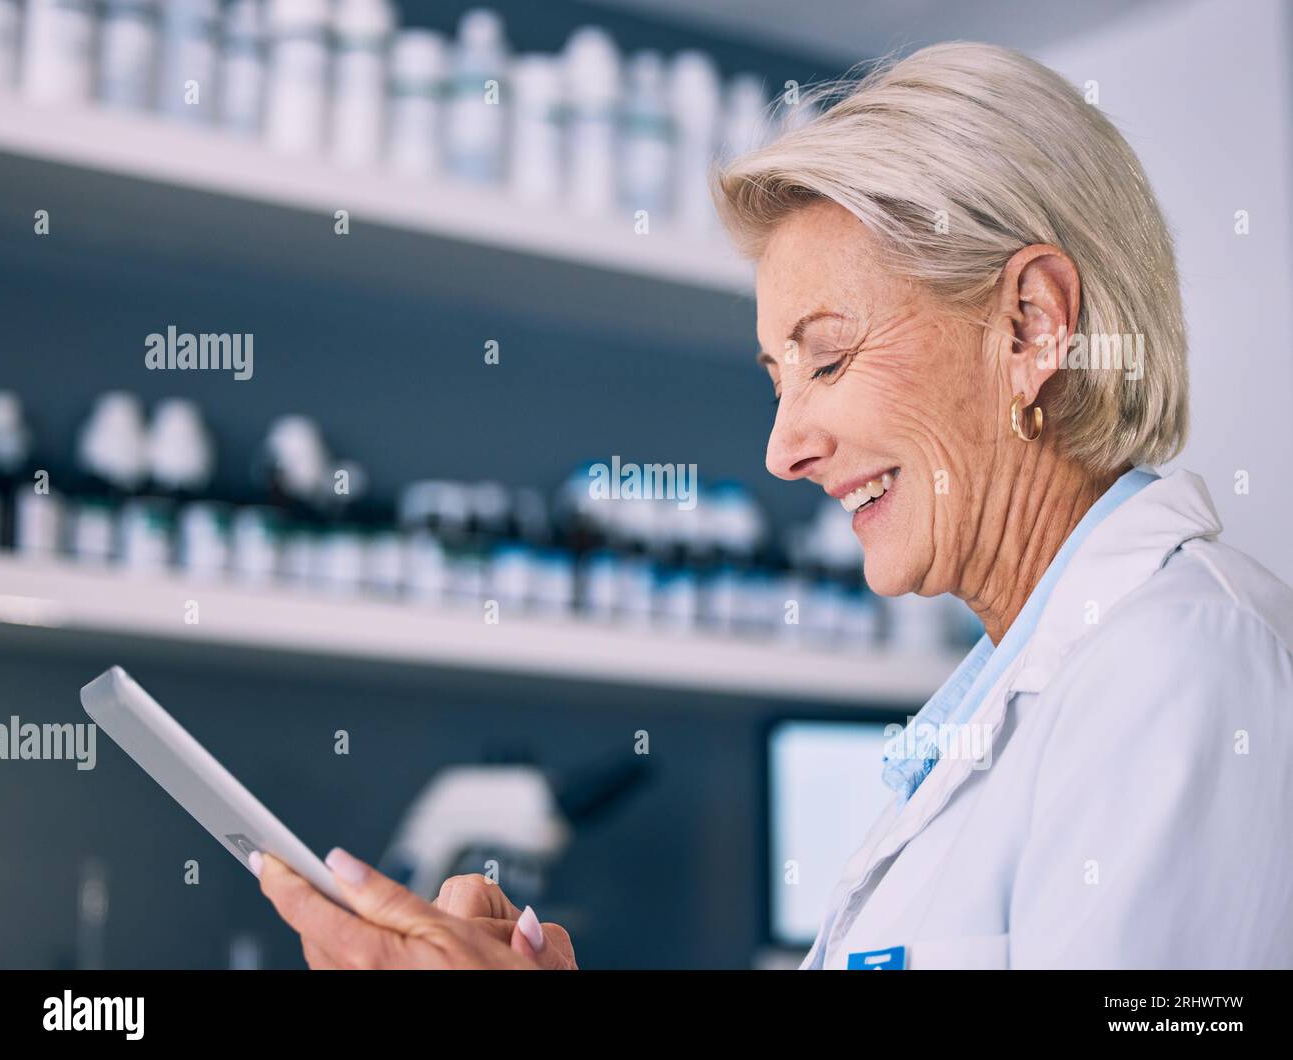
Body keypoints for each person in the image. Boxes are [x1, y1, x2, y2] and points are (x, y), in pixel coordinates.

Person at [257, 41, 1293, 969]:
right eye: (776, 379)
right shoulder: (1009, 690)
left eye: (829, 358)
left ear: (1027, 329)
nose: (783, 446)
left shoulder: (1180, 661)